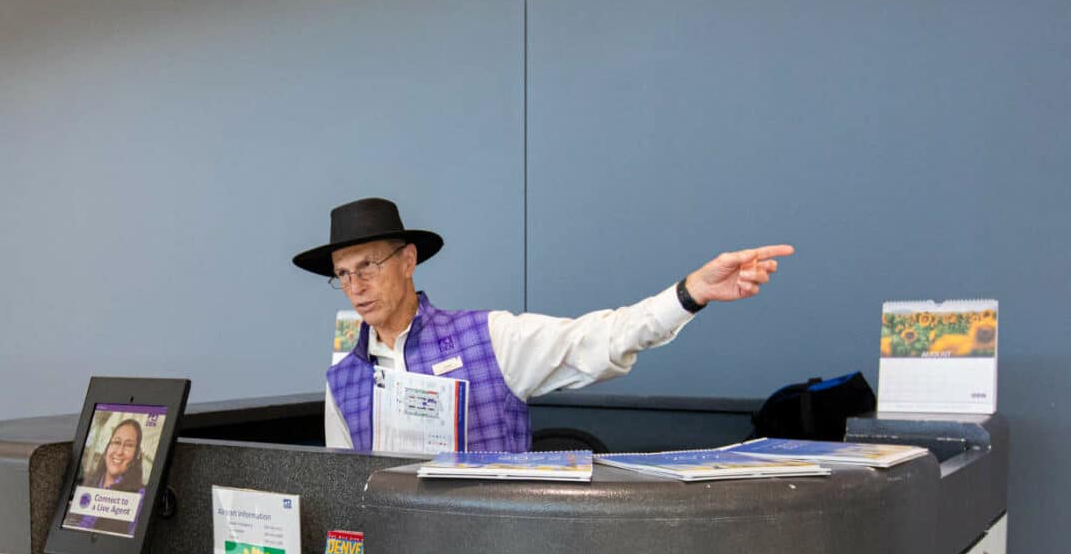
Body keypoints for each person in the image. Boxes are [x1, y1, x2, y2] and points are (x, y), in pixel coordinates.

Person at [292, 197, 794, 452]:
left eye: (369, 265)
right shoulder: (343, 382)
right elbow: (345, 493)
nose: (356, 285)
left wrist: (690, 293)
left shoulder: (487, 338)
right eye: (343, 274)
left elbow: (596, 340)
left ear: (408, 261)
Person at [90, 418, 146, 492]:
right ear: (107, 448)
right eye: (117, 442)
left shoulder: (140, 494)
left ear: (136, 455)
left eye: (129, 445)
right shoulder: (87, 484)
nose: (119, 452)